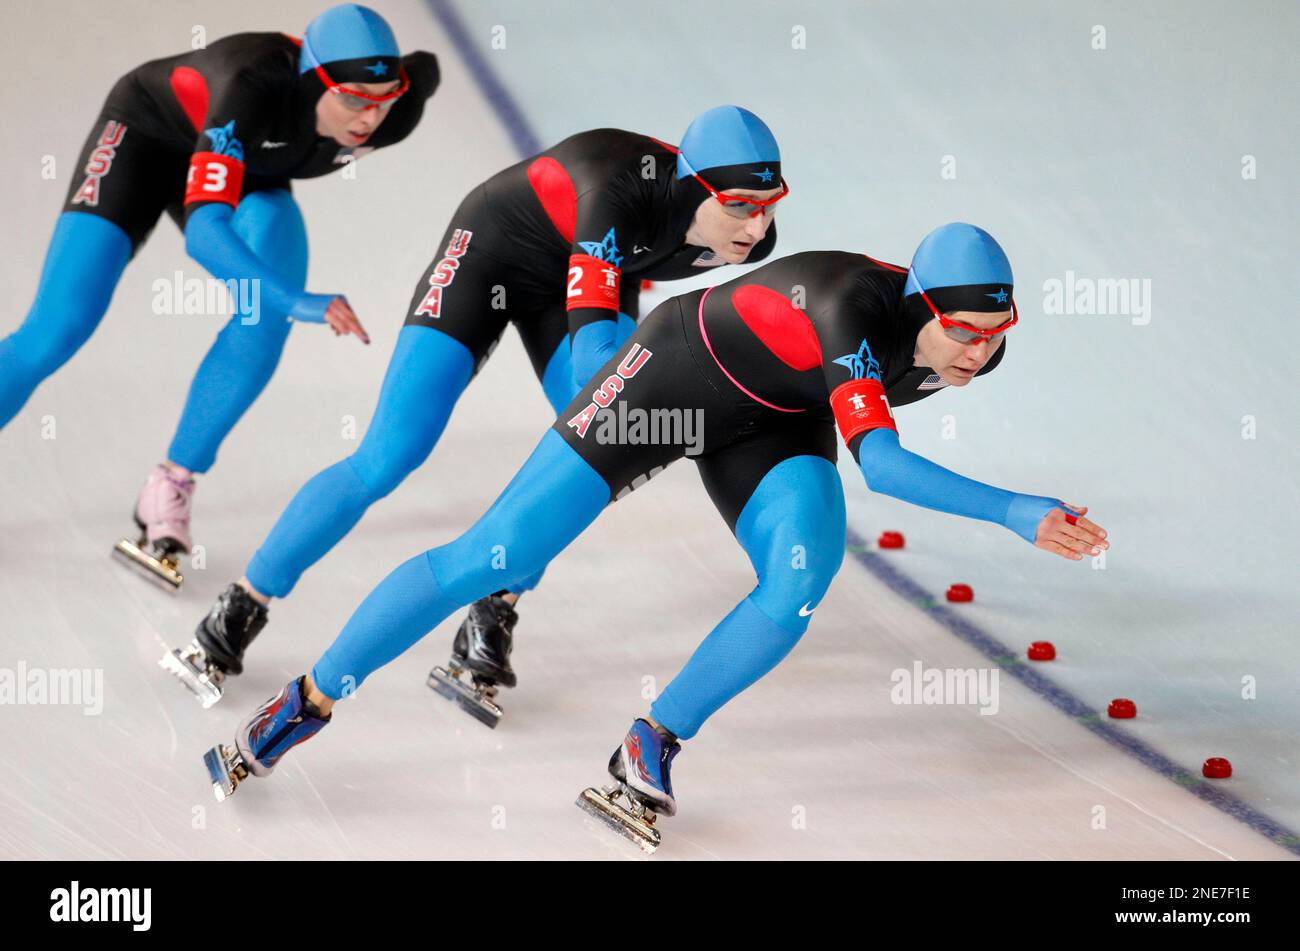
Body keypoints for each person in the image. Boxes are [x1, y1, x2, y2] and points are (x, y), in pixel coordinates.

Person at [202, 222, 1109, 849]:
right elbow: (886, 468)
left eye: (997, 334)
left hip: (775, 414)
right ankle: (307, 698)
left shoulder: (966, 340)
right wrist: (1015, 510)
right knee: (497, 553)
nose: (978, 353)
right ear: (919, 302)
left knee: (798, 581)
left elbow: (856, 426)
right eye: (963, 332)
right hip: (669, 377)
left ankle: (653, 739)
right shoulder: (851, 310)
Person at [180, 105, 788, 712]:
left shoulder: (746, 237)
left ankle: (494, 608)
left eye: (769, 205)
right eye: (738, 205)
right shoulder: (616, 190)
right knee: (389, 455)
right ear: (691, 185)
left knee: (585, 463)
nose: (756, 227)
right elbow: (593, 363)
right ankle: (241, 605)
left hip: (583, 278)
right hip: (491, 252)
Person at [0, 4, 440, 590]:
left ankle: (171, 484)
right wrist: (300, 300)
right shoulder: (252, 85)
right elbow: (207, 234)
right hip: (146, 138)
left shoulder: (395, 110)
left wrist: (279, 302)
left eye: (385, 97)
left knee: (264, 313)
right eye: (355, 98)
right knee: (59, 327)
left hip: (249, 169)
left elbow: (425, 70)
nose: (371, 116)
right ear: (313, 83)